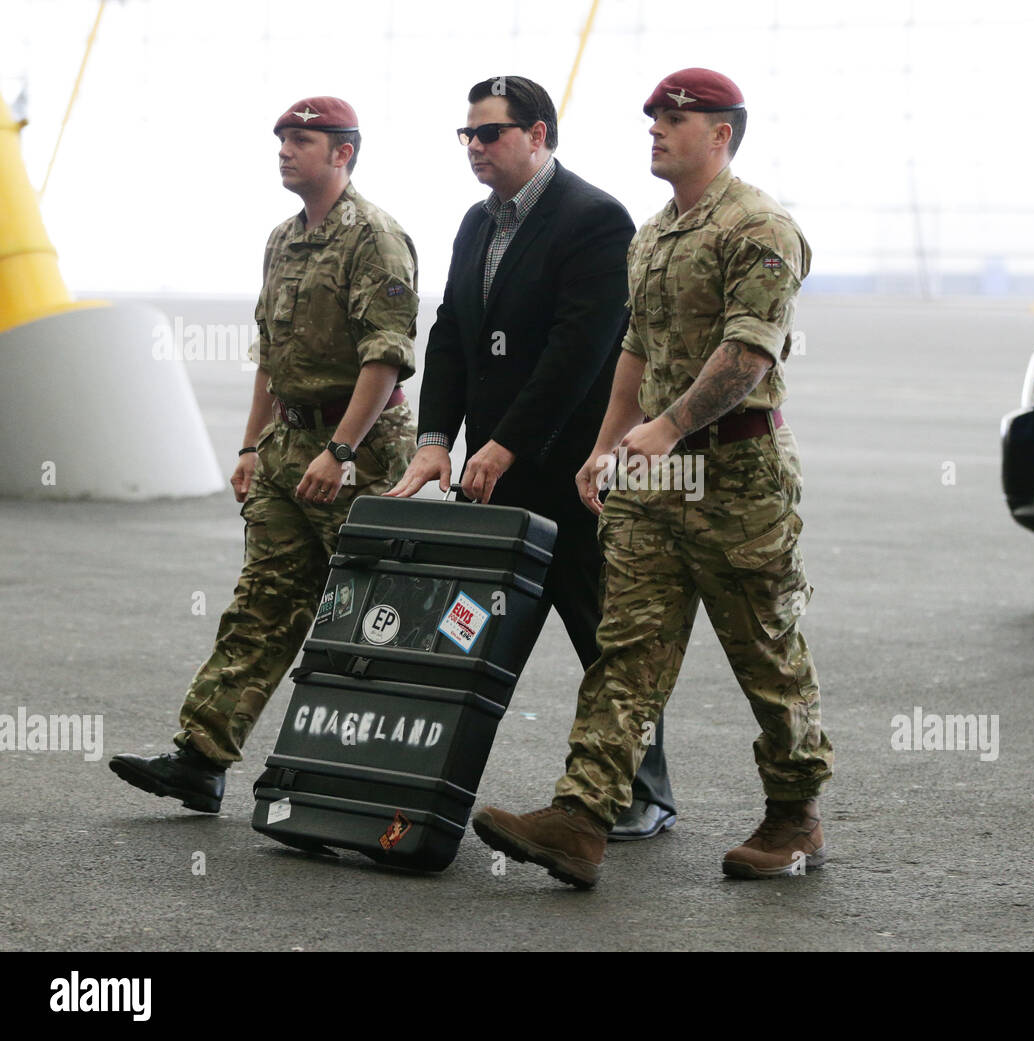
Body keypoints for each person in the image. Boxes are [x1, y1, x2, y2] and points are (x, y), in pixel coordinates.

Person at [471, 68, 833, 888]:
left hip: (737, 475)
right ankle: (582, 815)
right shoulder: (653, 234)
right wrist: (604, 446)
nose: (657, 130)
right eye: (654, 119)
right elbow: (634, 349)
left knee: (766, 651)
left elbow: (748, 352)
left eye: (677, 119)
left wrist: (666, 427)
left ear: (722, 134)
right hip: (649, 480)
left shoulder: (759, 226)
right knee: (625, 649)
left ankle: (795, 814)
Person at [385, 76, 677, 840]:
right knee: (466, 635)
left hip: (569, 478)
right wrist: (434, 439)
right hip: (492, 478)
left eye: (491, 133)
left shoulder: (594, 218)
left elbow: (578, 352)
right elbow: (451, 333)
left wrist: (507, 442)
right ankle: (423, 786)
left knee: (605, 638)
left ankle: (644, 793)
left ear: (539, 134)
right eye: (468, 134)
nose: (475, 147)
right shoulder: (476, 223)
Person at [110, 96, 419, 810]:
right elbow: (270, 354)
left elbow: (386, 356)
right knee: (264, 601)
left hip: (359, 452)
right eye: (282, 139)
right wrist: (251, 443)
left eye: (302, 140)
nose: (284, 150)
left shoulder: (375, 237)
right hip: (287, 444)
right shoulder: (283, 238)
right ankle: (201, 757)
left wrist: (340, 449)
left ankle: (375, 773)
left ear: (343, 153)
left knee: (369, 613)